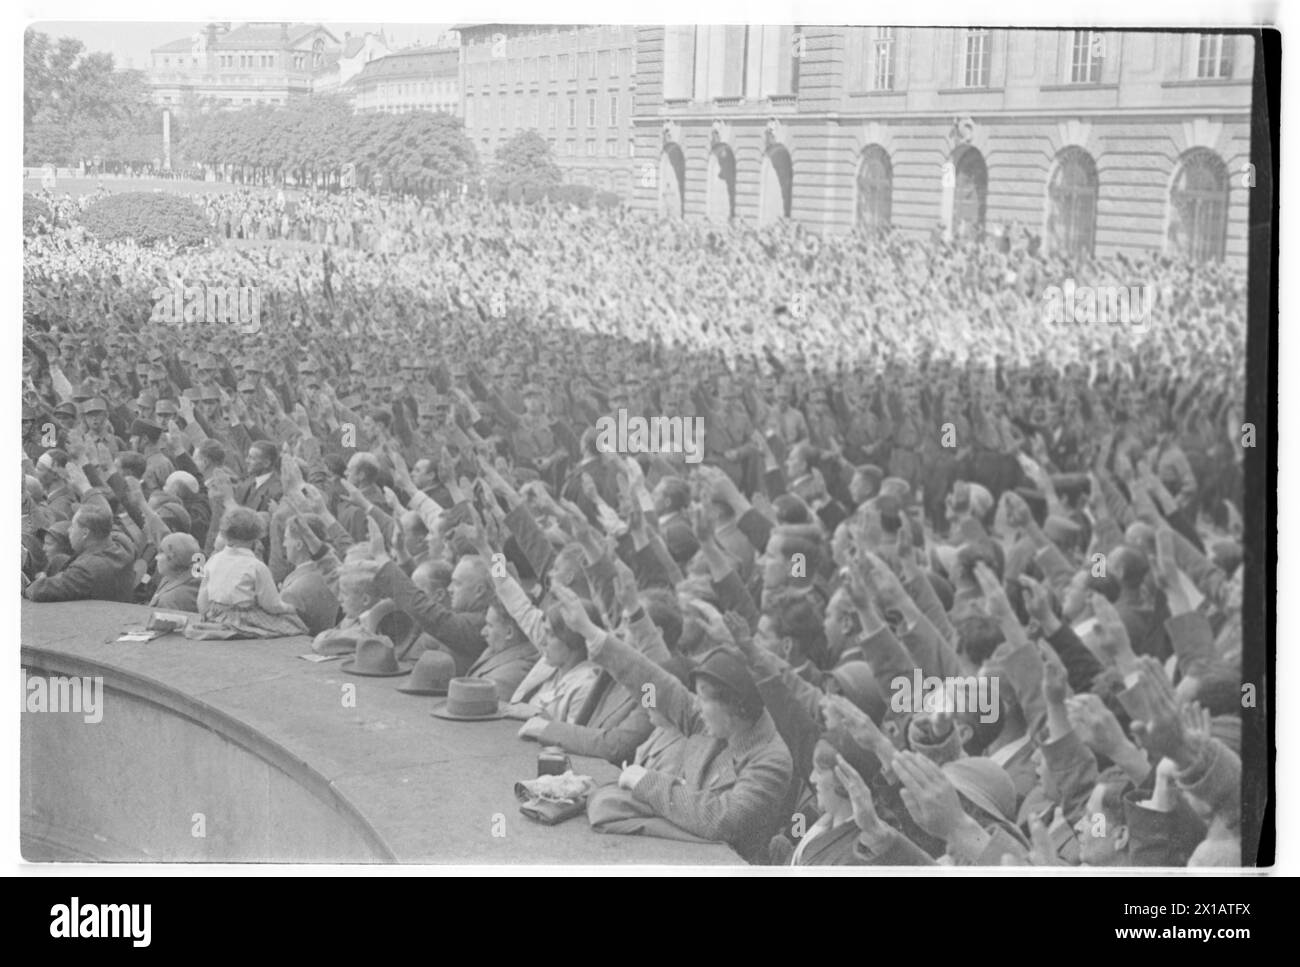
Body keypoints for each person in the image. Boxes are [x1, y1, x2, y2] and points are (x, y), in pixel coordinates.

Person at [187, 506, 308, 639]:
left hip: (215, 615)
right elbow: (271, 605)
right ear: (256, 536)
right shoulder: (256, 566)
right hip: (243, 619)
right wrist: (289, 608)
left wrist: (208, 615)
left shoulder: (213, 560)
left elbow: (202, 600)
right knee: (295, 624)